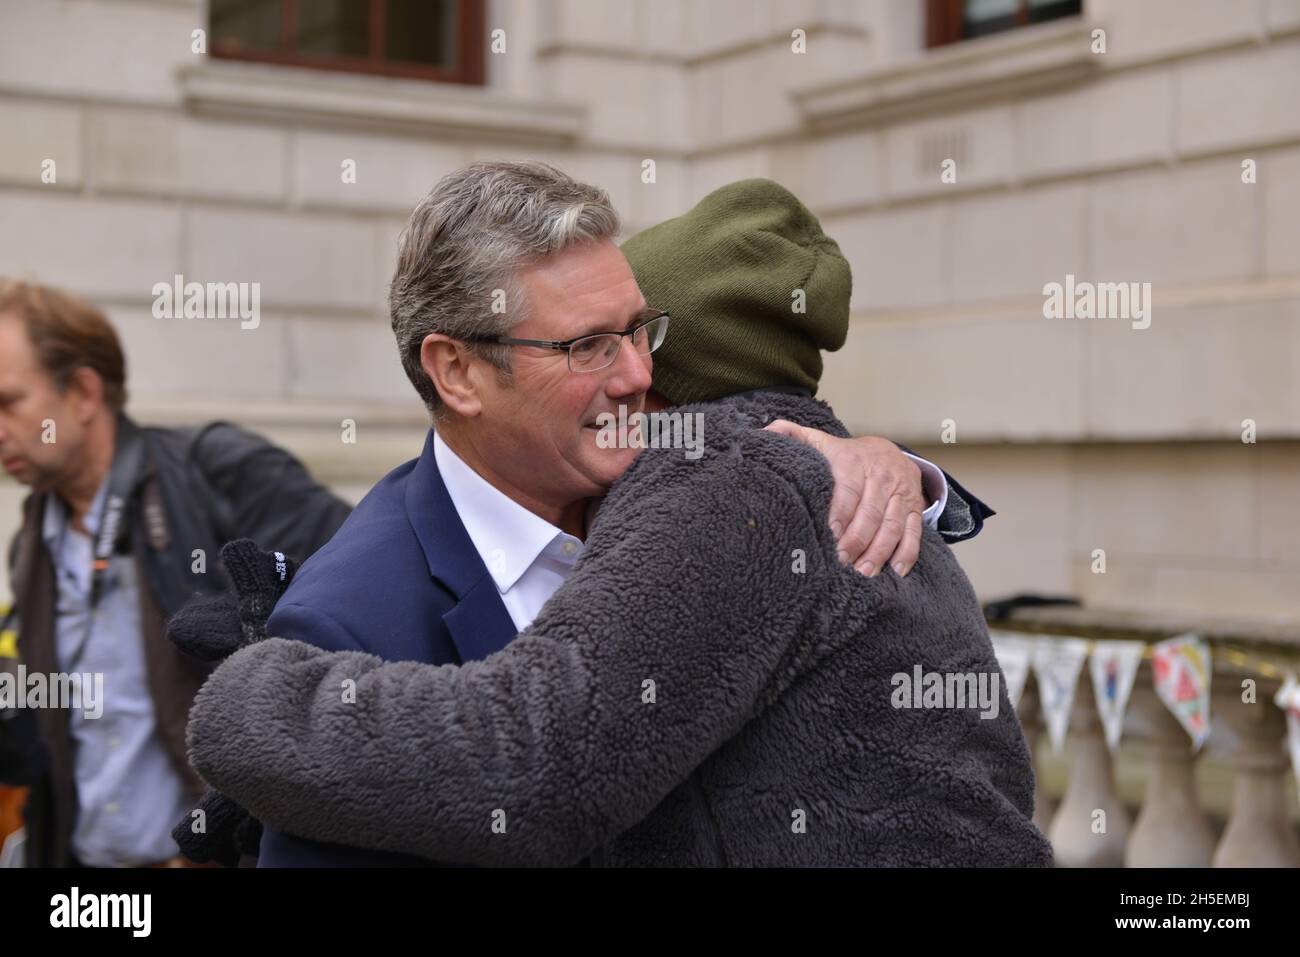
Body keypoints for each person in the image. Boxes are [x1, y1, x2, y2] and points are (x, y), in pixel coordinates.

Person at [176, 173, 1045, 866]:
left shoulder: (732, 483)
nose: (632, 373)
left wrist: (248, 697)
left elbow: (538, 762)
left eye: (642, 334)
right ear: (458, 371)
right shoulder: (351, 609)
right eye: (588, 344)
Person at [0, 280, 351, 867]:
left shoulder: (221, 473)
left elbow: (367, 614)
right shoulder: (31, 546)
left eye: (8, 402)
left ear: (83, 393)